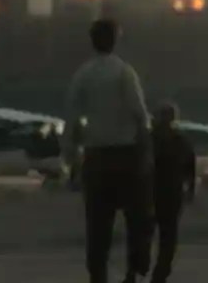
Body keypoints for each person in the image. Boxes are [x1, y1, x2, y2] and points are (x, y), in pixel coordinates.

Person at [62, 19, 153, 283]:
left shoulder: (83, 75)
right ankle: (133, 273)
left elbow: (72, 119)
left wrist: (71, 158)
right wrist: (146, 152)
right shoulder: (125, 72)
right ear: (115, 40)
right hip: (126, 157)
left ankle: (98, 276)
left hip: (96, 158)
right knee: (137, 220)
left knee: (98, 227)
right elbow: (139, 115)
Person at [149, 102, 196, 283]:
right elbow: (190, 168)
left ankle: (137, 271)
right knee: (168, 238)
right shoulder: (181, 140)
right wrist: (190, 189)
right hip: (173, 193)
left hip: (151, 193)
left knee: (144, 234)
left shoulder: (149, 139)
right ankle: (160, 274)